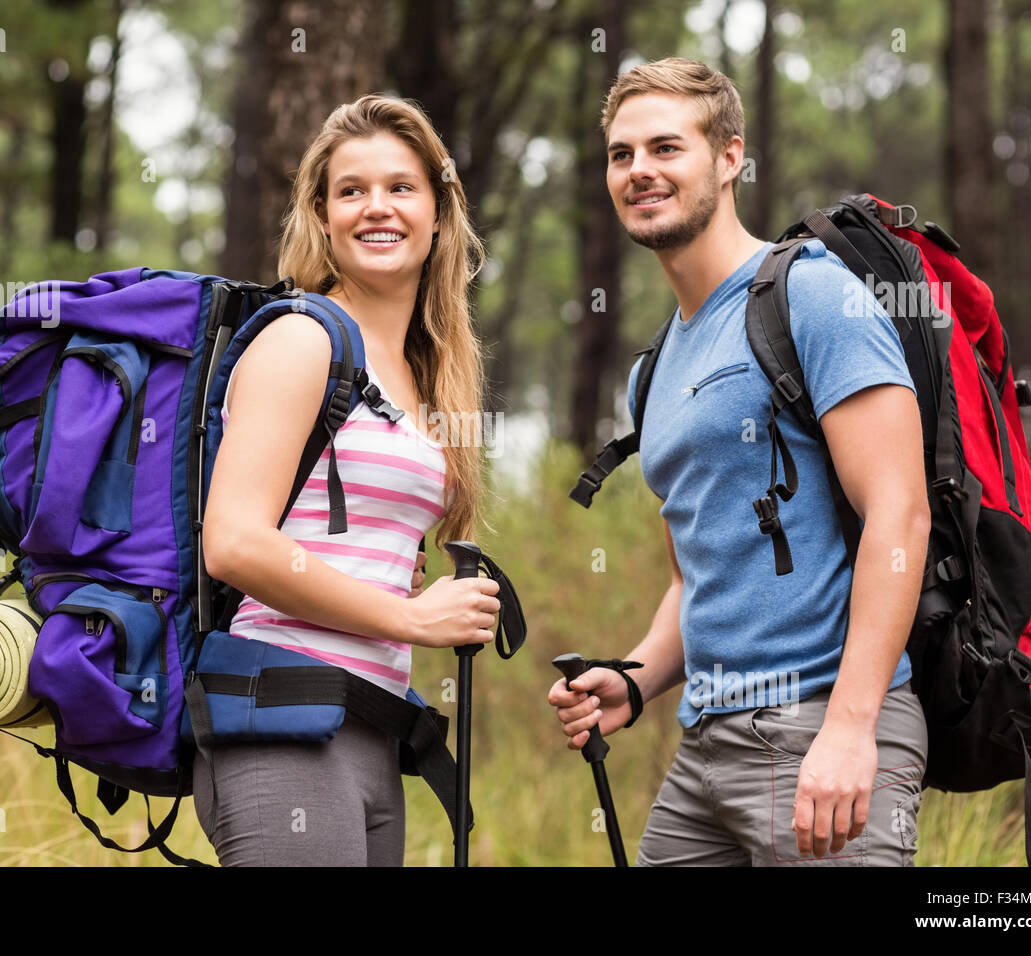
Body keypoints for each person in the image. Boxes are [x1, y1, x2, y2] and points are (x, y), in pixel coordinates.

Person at [548, 57, 931, 866]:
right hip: (707, 744)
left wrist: (851, 728)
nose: (640, 170)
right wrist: (635, 680)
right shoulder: (652, 372)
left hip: (823, 727)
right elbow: (696, 575)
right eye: (621, 154)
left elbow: (900, 515)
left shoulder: (814, 297)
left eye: (665, 147)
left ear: (729, 159)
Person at [199, 94, 500, 866]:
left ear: (438, 211)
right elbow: (232, 544)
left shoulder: (420, 372)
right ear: (323, 217)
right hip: (281, 720)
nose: (378, 208)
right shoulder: (303, 339)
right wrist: (413, 619)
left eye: (401, 187)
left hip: (368, 726)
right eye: (352, 190)